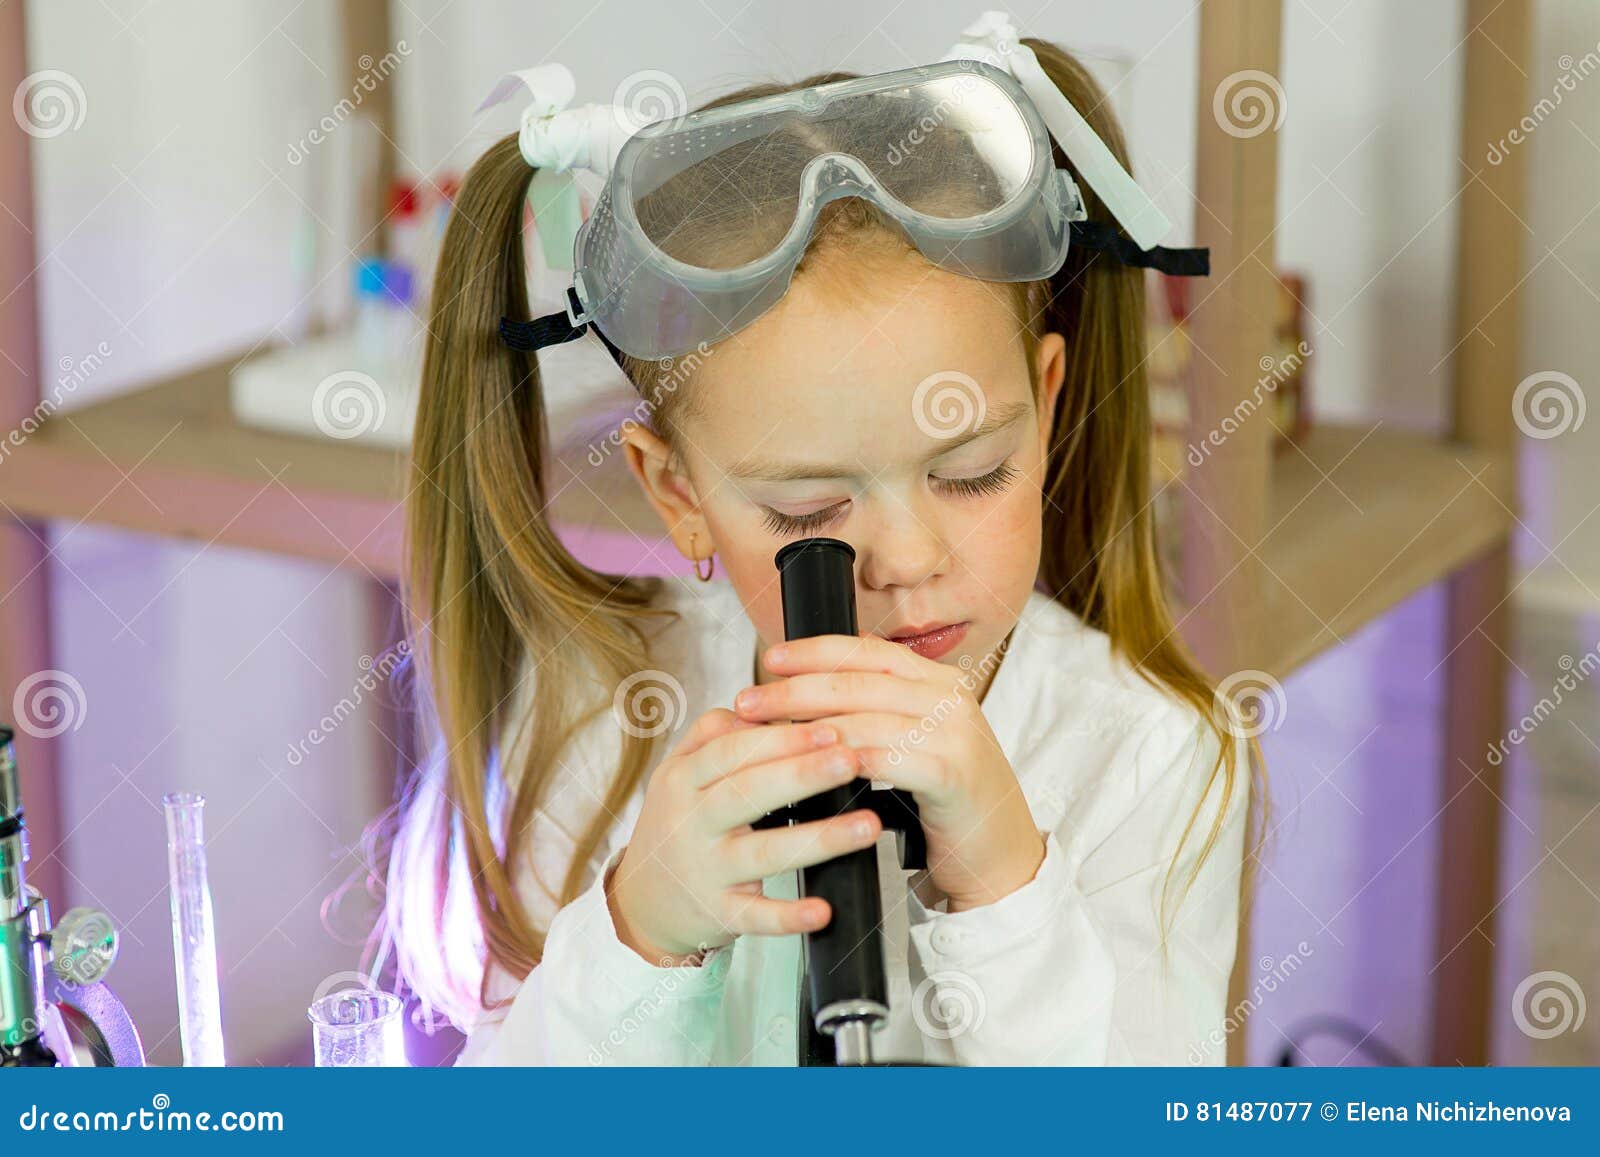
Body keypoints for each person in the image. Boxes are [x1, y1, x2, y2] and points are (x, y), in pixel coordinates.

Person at [369, 13, 1261, 1066]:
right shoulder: (595, 716)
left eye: (970, 471)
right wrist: (638, 936)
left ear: (1048, 402)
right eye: (807, 512)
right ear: (679, 494)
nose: (908, 558)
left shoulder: (1147, 757)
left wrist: (1005, 894)